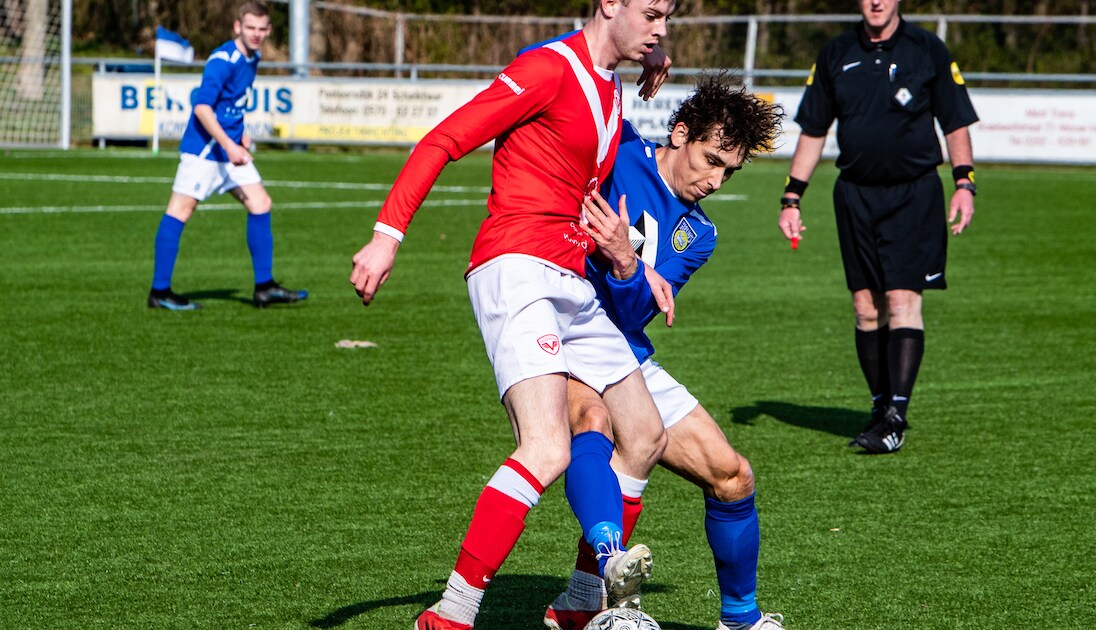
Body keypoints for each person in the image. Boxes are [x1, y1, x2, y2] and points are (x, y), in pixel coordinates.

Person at [348, 2, 677, 629]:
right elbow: (445, 139)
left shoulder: (612, 94)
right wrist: (387, 235)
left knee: (643, 434)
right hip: (514, 265)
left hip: (573, 277)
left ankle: (584, 601)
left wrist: (638, 259)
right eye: (652, 13)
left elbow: (586, 187)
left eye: (668, 17)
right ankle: (451, 614)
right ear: (610, 3)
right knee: (548, 446)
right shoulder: (547, 69)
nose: (661, 28)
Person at [542, 75, 787, 630]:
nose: (717, 179)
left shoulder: (699, 234)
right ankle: (590, 597)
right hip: (561, 329)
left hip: (623, 346)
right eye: (711, 159)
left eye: (729, 170)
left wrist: (627, 262)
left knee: (733, 476)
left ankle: (740, 619)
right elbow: (590, 78)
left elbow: (633, 315)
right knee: (598, 424)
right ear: (679, 133)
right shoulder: (620, 150)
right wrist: (643, 48)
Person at [777, 0, 978, 454]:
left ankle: (895, 417)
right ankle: (879, 406)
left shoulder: (928, 49)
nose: (876, 1)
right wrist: (792, 197)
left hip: (914, 193)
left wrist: (964, 183)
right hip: (855, 195)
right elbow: (814, 130)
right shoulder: (836, 52)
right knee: (867, 309)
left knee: (902, 300)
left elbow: (956, 121)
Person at [147, 1, 306, 311]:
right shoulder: (223, 59)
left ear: (269, 30)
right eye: (250, 28)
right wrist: (229, 145)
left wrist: (240, 134)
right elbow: (203, 107)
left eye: (262, 29)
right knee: (180, 210)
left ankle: (264, 286)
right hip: (205, 151)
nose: (257, 34)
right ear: (237, 27)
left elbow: (232, 103)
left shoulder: (253, 57)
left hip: (230, 150)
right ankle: (160, 291)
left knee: (260, 203)